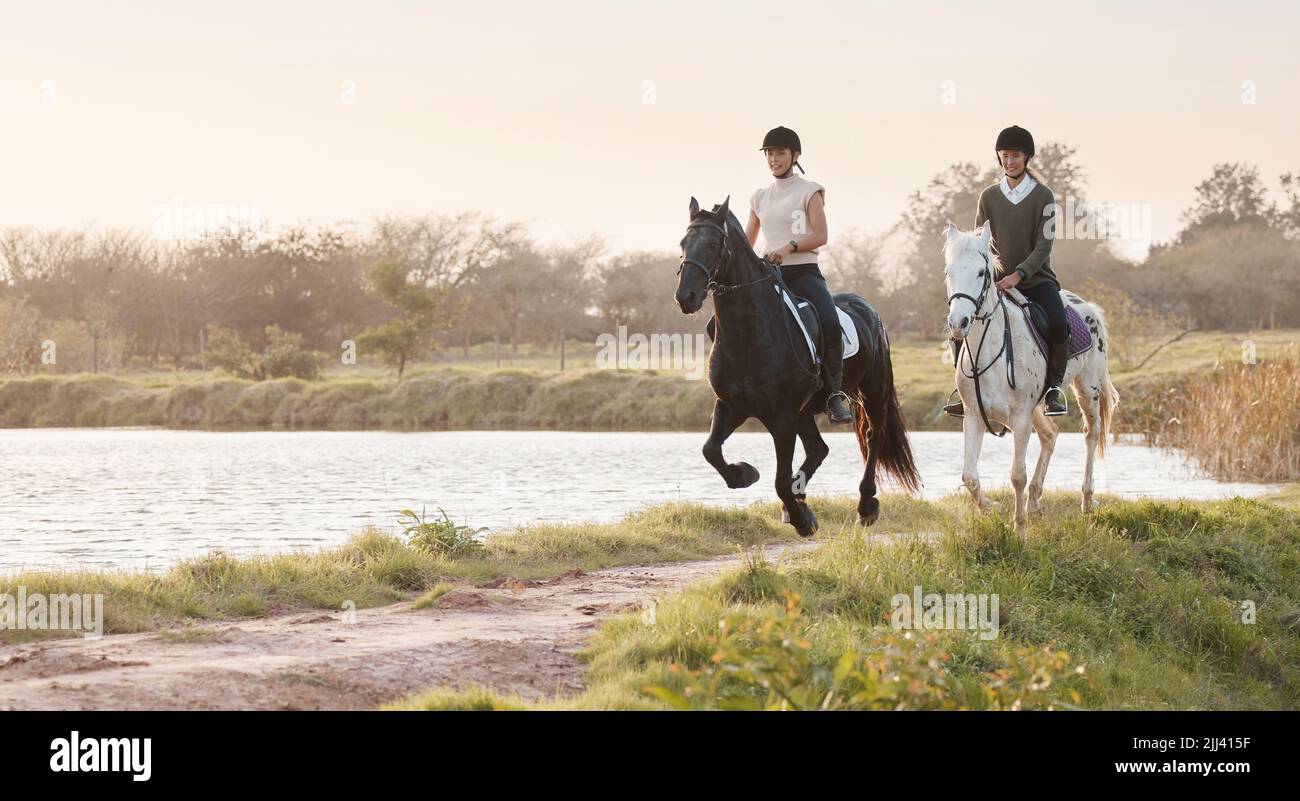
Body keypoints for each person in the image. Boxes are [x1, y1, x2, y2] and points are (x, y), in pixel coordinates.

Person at [944, 124, 1069, 418]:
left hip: (1036, 280)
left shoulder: (1044, 196)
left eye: (1015, 156)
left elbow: (1044, 246)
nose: (1009, 161)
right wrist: (993, 277)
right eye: (1004, 156)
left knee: (1059, 322)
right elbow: (980, 242)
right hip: (995, 283)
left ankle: (1053, 390)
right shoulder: (988, 197)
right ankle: (965, 392)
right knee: (959, 323)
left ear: (1027, 158)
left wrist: (1019, 275)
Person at [746, 125, 853, 423]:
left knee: (830, 322)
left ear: (795, 155)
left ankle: (834, 395)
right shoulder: (758, 198)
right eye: (769, 153)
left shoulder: (810, 190)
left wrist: (789, 247)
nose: (773, 158)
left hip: (804, 273)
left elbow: (821, 235)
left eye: (779, 152)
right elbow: (746, 244)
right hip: (771, 277)